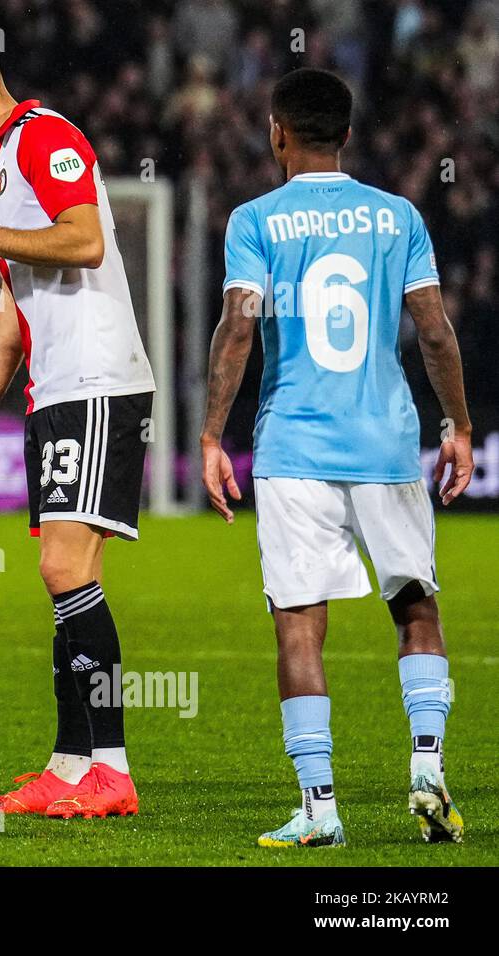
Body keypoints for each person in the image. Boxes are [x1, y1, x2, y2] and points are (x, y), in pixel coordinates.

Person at [201, 68, 473, 847]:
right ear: (348, 135)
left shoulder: (254, 219)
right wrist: (455, 423)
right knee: (415, 606)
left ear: (277, 132)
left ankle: (320, 810)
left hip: (293, 449)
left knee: (298, 625)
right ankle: (426, 769)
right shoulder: (398, 216)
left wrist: (214, 433)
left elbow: (239, 329)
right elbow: (434, 332)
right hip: (385, 443)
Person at [0, 21, 156, 819]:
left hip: (98, 378)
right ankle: (70, 765)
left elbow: (81, 242)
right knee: (63, 575)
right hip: (54, 387)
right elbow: (16, 300)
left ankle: (111, 770)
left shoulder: (47, 138)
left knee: (63, 571)